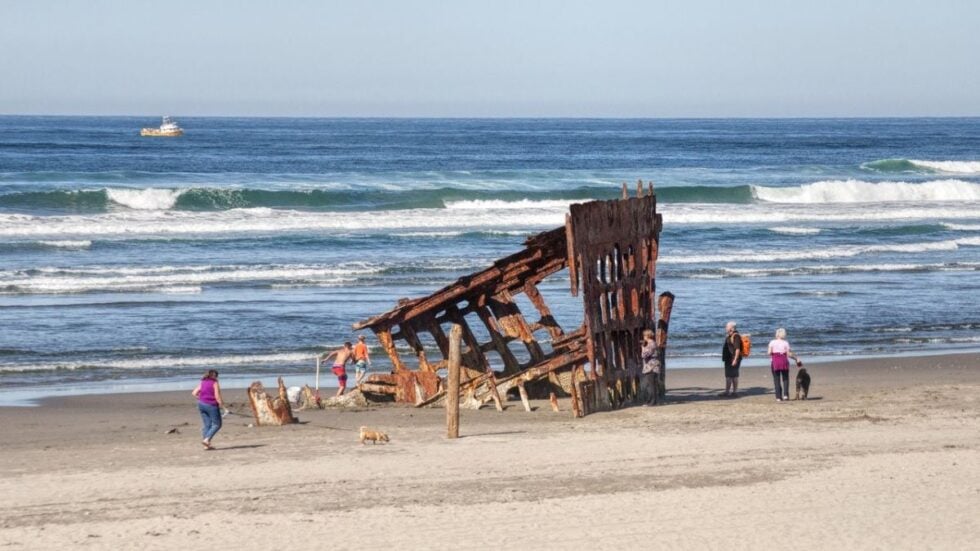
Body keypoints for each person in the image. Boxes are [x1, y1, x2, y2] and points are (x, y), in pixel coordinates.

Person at [191, 370, 224, 450]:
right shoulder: (214, 383)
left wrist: (202, 398)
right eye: (216, 376)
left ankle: (206, 445)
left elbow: (194, 393)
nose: (217, 378)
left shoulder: (203, 382)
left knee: (207, 425)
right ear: (214, 376)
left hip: (201, 404)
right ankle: (206, 439)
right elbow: (217, 396)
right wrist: (223, 406)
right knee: (217, 424)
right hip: (211, 405)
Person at [767, 327, 800, 402]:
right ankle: (785, 395)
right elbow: (789, 354)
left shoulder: (772, 342)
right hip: (784, 361)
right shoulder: (785, 343)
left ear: (777, 334)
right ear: (783, 334)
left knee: (776, 380)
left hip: (775, 362)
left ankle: (778, 397)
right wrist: (796, 358)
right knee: (785, 379)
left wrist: (773, 352)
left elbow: (769, 353)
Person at [721, 321, 743, 397]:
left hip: (733, 359)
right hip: (729, 359)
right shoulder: (729, 336)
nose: (726, 328)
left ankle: (733, 392)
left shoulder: (736, 336)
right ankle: (729, 391)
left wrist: (735, 359)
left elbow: (737, 349)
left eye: (727, 326)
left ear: (732, 328)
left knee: (732, 376)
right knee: (730, 376)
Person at [640, 329, 662, 405]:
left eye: (644, 335)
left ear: (647, 336)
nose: (644, 337)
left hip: (651, 367)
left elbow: (644, 355)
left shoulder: (651, 344)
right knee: (652, 384)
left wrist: (643, 347)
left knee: (650, 385)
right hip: (653, 366)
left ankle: (652, 402)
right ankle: (654, 401)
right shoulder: (652, 343)